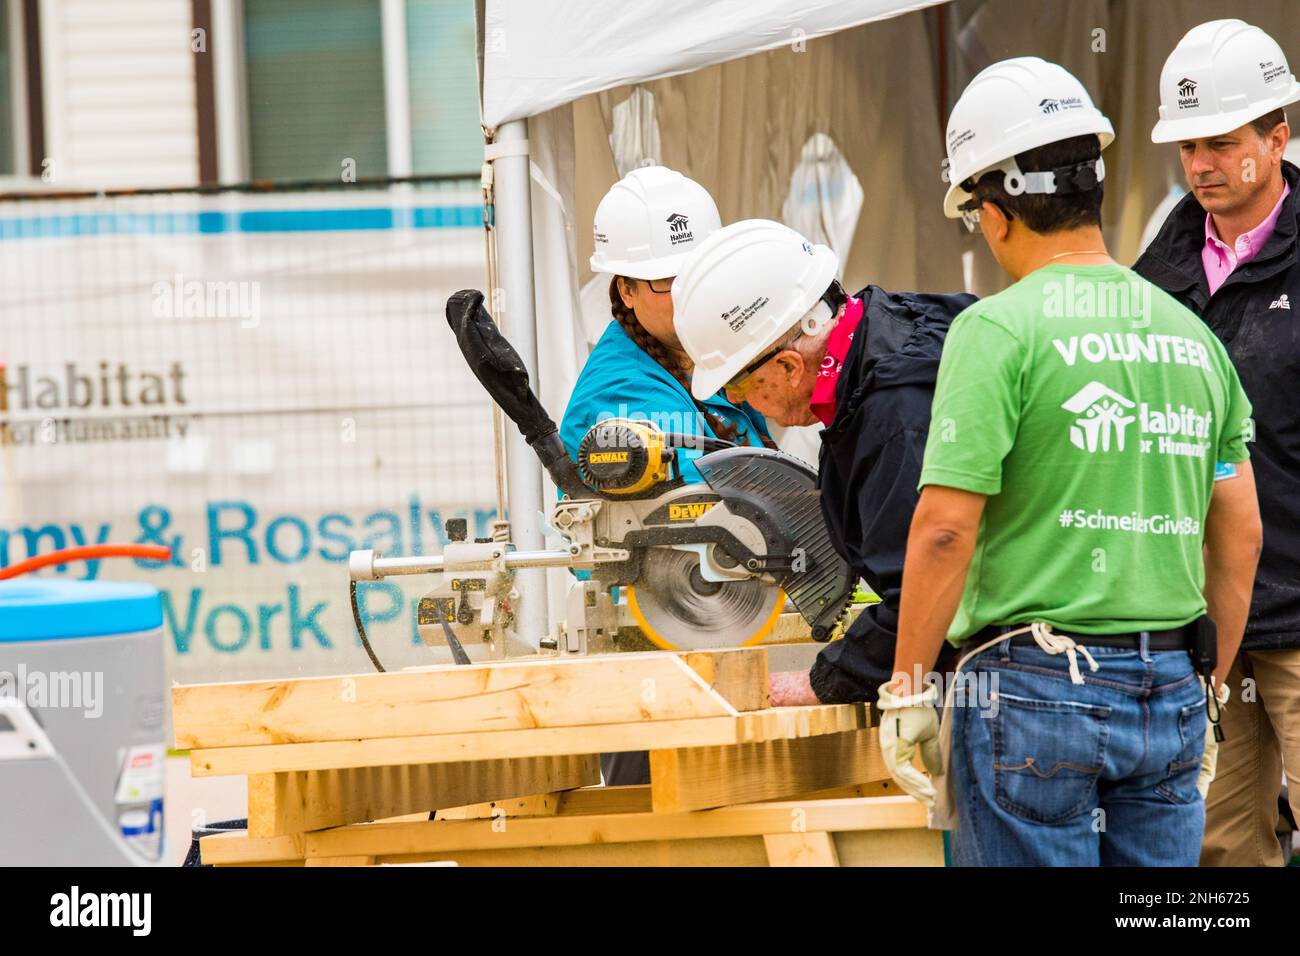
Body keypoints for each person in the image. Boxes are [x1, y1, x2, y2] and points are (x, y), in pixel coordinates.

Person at [880, 56, 1261, 866]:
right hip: (1171, 684)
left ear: (992, 212)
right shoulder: (1191, 337)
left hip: (1027, 688)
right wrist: (1214, 687)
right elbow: (1241, 532)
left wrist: (908, 685)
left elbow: (945, 529)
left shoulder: (995, 332)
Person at [670, 219, 975, 707]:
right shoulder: (894, 324)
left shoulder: (894, 412)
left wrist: (825, 680)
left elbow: (925, 592)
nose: (737, 400)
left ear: (788, 366)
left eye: (740, 387)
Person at [1134, 18, 1300, 867]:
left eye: (1220, 142)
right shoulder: (1158, 267)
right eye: (1187, 145)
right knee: (1222, 855)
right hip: (1205, 621)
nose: (1199, 164)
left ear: (1278, 136)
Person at [561, 166, 773, 786]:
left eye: (698, 272)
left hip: (726, 636)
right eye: (664, 280)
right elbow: (715, 503)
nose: (687, 293)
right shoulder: (619, 395)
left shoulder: (711, 355)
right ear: (623, 290)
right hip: (658, 659)